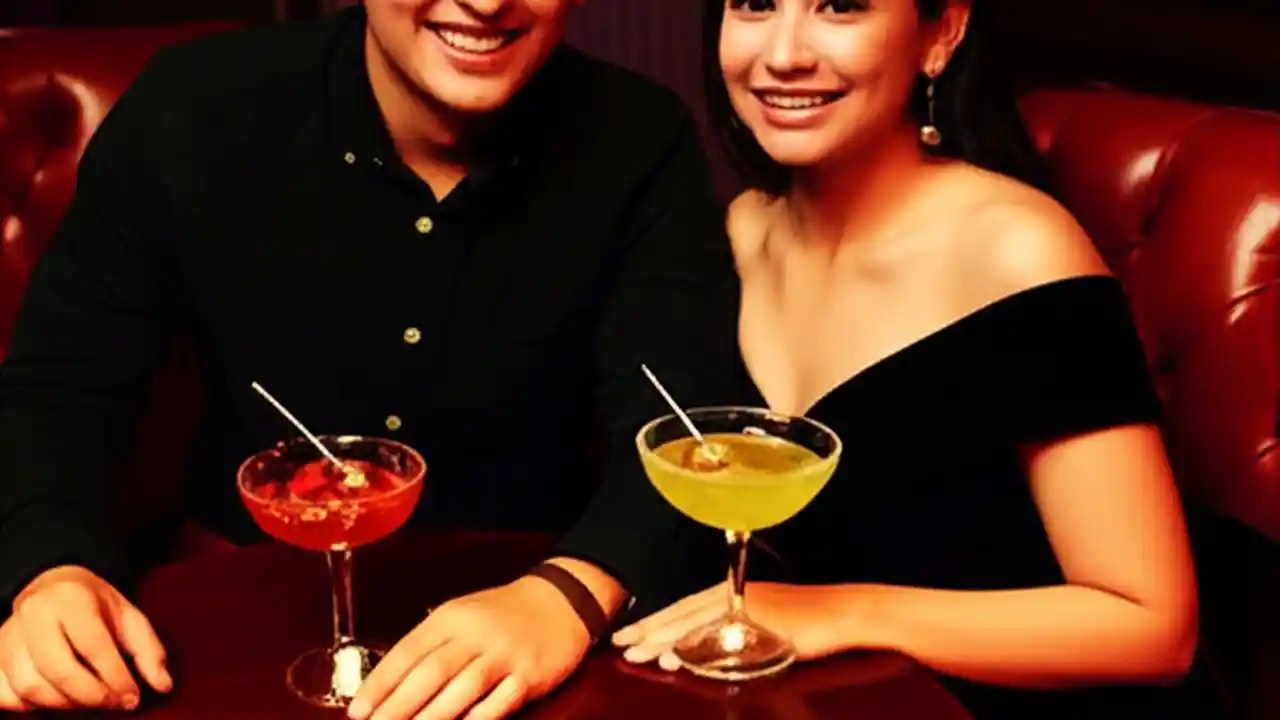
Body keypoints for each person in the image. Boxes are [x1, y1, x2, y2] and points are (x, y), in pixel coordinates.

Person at [0, 1, 738, 716]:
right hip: (241, 605)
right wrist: (49, 571)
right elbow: (57, 389)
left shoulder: (643, 135)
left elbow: (680, 429)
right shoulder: (192, 103)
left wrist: (574, 592)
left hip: (531, 610)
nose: (485, 4)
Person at [613, 0, 1223, 716]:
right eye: (754, 5)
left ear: (941, 34)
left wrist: (841, 612)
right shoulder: (737, 233)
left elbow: (1153, 628)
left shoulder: (1016, 249)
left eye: (839, 7)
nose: (783, 53)